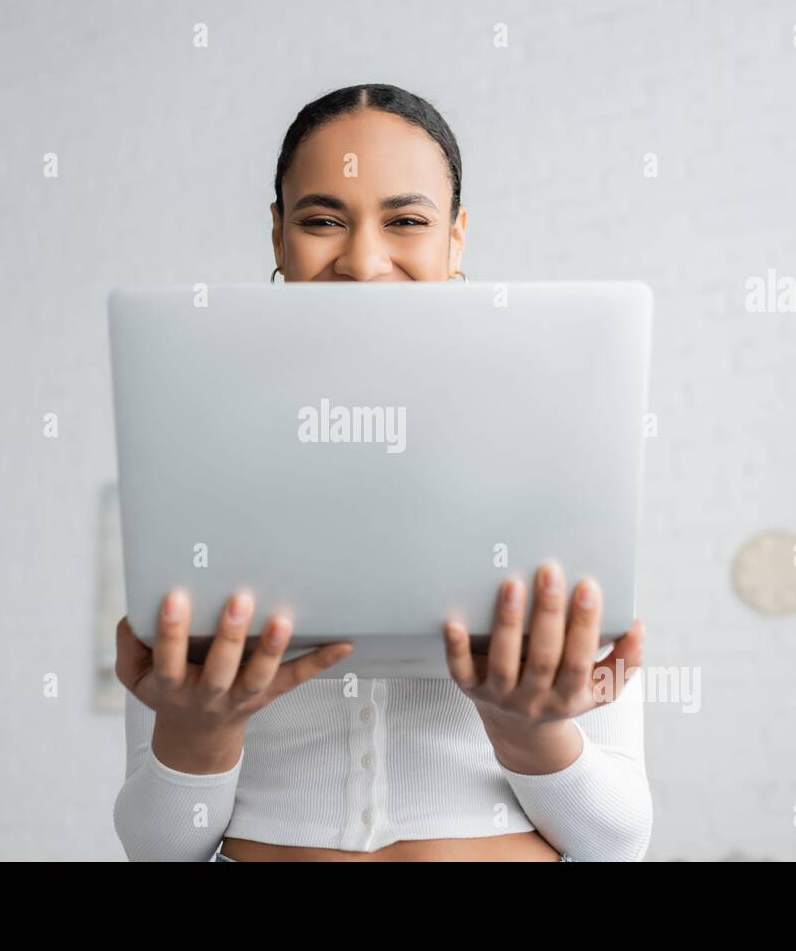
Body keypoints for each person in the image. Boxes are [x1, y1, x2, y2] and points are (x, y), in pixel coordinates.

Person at [113, 83, 651, 862]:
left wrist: (525, 730)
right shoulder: (196, 455)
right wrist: (202, 730)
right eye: (323, 219)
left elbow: (619, 841)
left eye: (406, 220)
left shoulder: (553, 451)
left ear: (455, 239)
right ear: (277, 236)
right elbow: (158, 852)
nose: (363, 263)